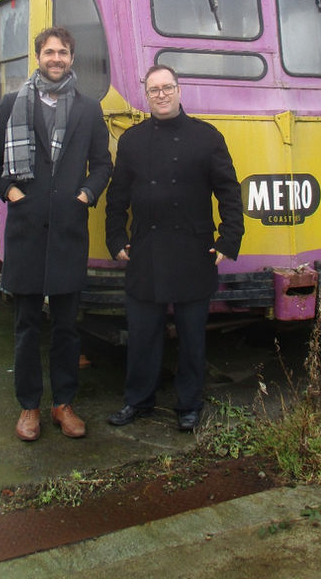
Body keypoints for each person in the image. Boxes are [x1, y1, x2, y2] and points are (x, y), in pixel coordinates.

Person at [0, 27, 112, 442]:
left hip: (69, 232)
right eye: (50, 51)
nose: (57, 58)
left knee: (68, 328)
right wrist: (12, 193)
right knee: (27, 327)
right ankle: (29, 408)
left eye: (64, 52)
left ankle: (63, 405)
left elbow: (103, 164)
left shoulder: (89, 109)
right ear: (38, 56)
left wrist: (86, 195)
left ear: (72, 58)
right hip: (27, 233)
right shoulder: (10, 104)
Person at [106, 65, 243, 432]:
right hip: (145, 251)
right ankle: (138, 401)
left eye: (167, 88)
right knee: (142, 335)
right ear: (146, 96)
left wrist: (229, 240)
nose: (162, 95)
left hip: (193, 251)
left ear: (179, 91)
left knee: (192, 337)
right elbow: (117, 196)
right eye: (154, 90)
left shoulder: (207, 136)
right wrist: (116, 239)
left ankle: (189, 404)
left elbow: (229, 192)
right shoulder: (132, 141)